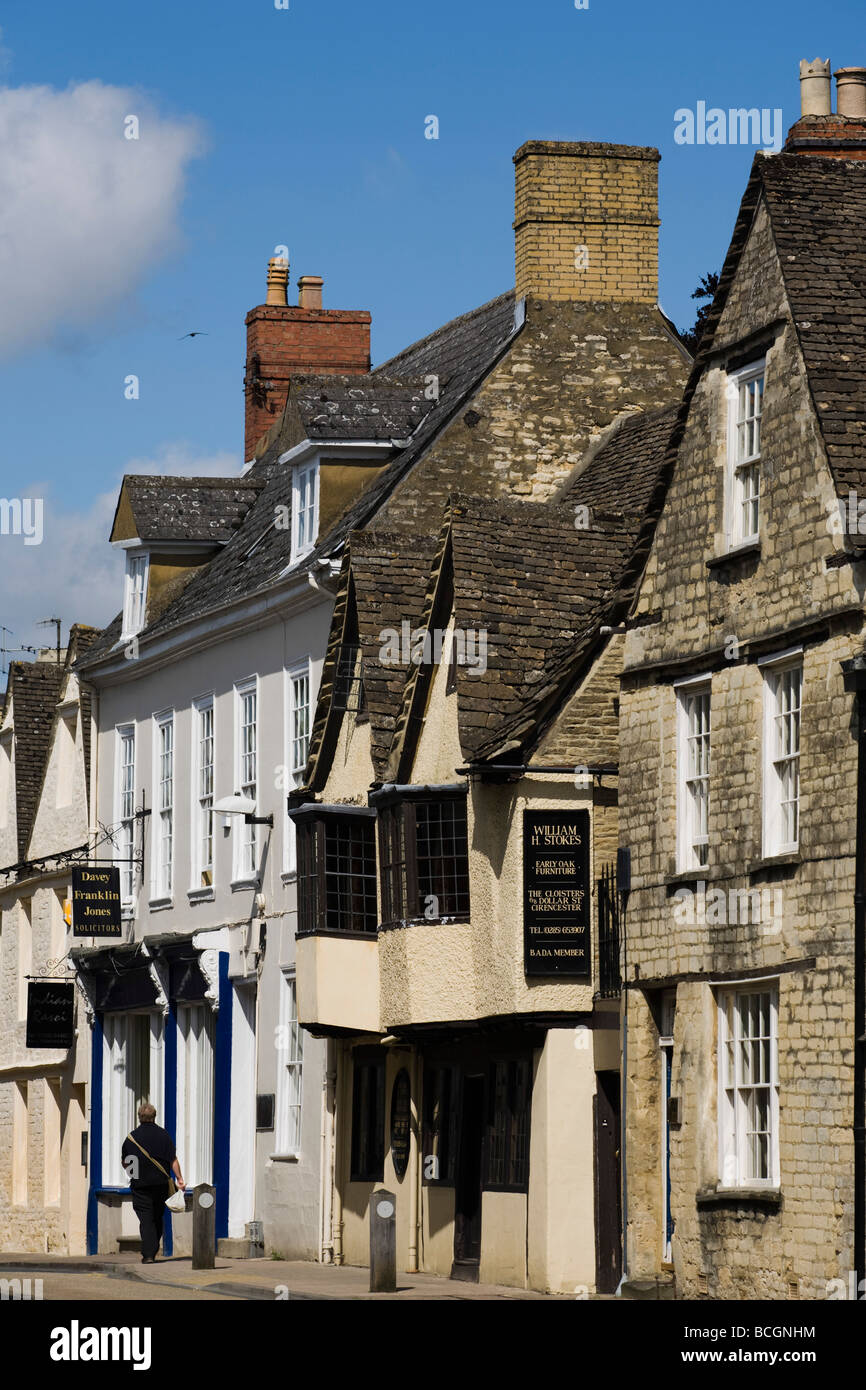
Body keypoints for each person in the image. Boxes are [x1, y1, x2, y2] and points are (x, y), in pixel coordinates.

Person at [121, 1101, 186, 1263]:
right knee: (157, 1216)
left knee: (146, 1218)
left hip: (140, 1185)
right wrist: (179, 1179)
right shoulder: (163, 1135)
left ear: (139, 1117)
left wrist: (134, 1175)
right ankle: (152, 1248)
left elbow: (126, 1161)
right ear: (154, 1117)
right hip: (161, 1184)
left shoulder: (131, 1138)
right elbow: (173, 1160)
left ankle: (148, 1254)